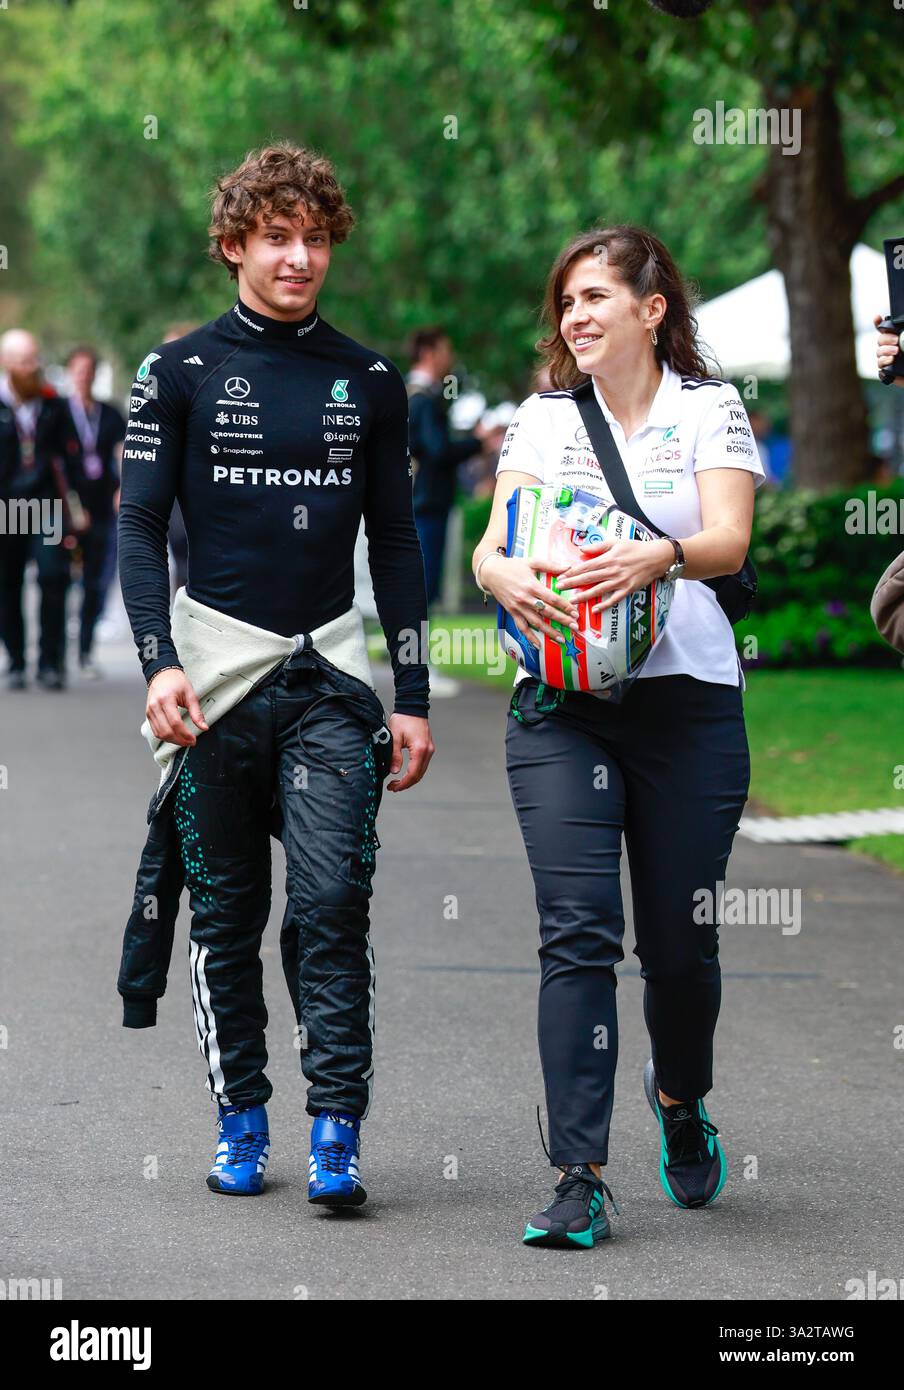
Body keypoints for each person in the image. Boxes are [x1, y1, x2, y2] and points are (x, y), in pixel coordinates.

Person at [117, 141, 434, 1206]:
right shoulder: (177, 372)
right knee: (224, 921)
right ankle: (241, 1120)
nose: (298, 257)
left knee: (334, 901)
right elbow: (137, 524)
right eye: (276, 237)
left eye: (314, 238)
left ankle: (337, 1130)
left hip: (330, 681)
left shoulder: (370, 380)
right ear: (234, 244)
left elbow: (396, 543)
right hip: (211, 683)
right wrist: (158, 665)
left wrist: (417, 695)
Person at [472, 225, 764, 1248]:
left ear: (651, 308)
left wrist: (661, 557)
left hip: (687, 706)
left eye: (594, 296)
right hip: (560, 706)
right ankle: (578, 1174)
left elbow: (729, 539)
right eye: (565, 303)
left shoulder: (709, 410)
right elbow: (495, 539)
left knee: (679, 948)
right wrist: (494, 573)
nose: (575, 317)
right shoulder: (543, 421)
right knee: (578, 932)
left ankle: (679, 1097)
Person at [0, 329, 84, 690]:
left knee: (53, 577)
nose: (30, 367)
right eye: (22, 360)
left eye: (34, 359)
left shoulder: (53, 403)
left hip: (46, 507)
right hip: (7, 507)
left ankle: (51, 662)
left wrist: (80, 505)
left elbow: (73, 458)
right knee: (7, 583)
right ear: (6, 363)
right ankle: (17, 660)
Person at [407, 326, 486, 606]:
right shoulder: (422, 400)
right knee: (425, 581)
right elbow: (438, 451)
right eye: (445, 351)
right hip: (426, 502)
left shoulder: (410, 395)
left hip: (418, 501)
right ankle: (413, 647)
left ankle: (411, 645)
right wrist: (477, 442)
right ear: (429, 353)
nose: (449, 358)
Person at [66, 346, 126, 678]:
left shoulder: (110, 413)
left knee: (95, 581)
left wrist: (123, 487)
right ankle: (50, 652)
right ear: (70, 372)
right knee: (54, 577)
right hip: (64, 510)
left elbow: (123, 451)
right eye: (78, 369)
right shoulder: (59, 412)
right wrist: (72, 507)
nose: (83, 376)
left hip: (102, 509)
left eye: (89, 370)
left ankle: (85, 650)